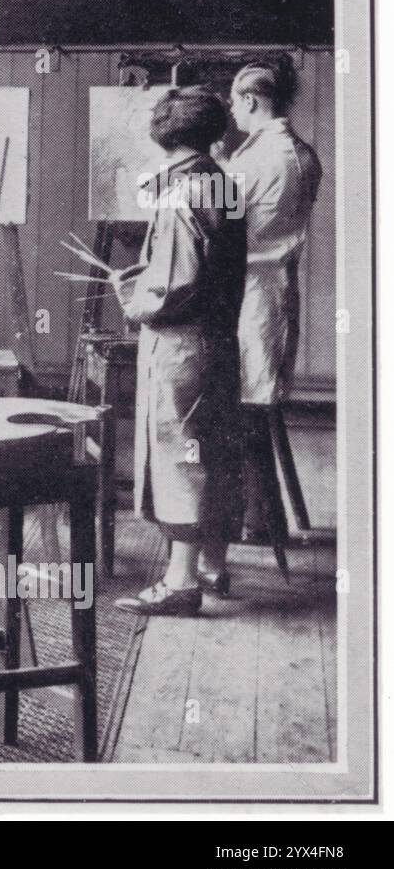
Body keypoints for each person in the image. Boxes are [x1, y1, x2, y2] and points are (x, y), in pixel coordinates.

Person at [112, 87, 247, 616]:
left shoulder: (184, 190)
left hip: (183, 344)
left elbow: (173, 286)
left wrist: (132, 294)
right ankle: (213, 565)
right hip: (219, 339)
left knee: (182, 453)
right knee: (212, 448)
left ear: (162, 135)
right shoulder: (222, 182)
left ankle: (180, 583)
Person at [223, 59, 323, 542]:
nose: (230, 109)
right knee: (255, 406)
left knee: (246, 407)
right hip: (274, 291)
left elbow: (222, 229)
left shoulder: (257, 160)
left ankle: (260, 520)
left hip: (252, 293)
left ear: (251, 100)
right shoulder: (300, 152)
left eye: (234, 100)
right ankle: (262, 517)